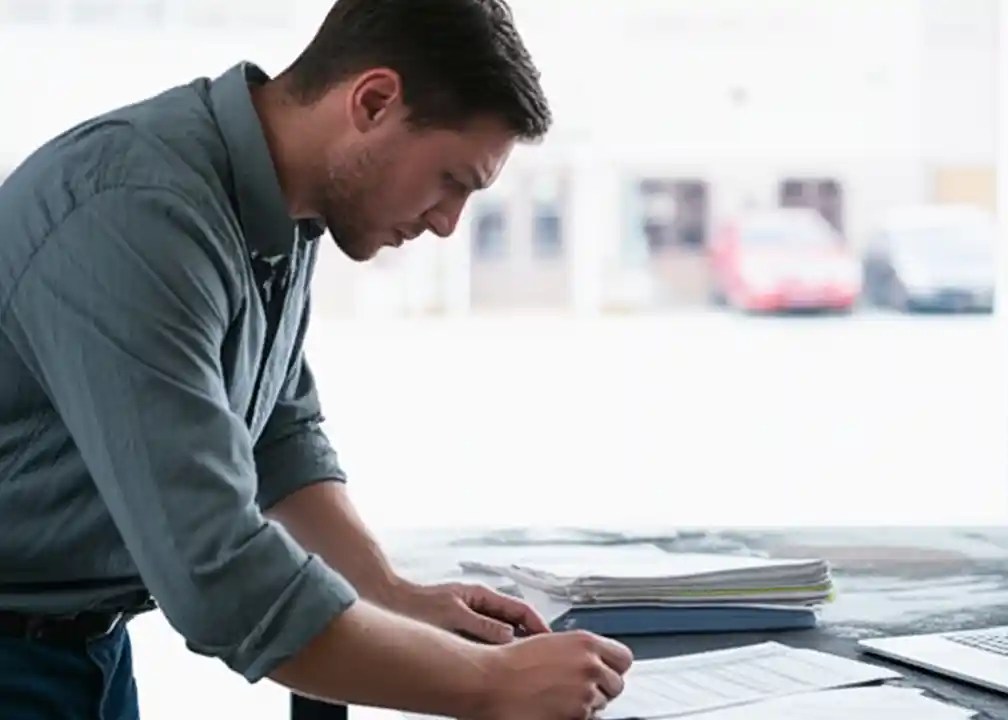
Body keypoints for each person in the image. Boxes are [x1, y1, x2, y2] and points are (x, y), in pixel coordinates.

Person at [0, 1, 633, 718]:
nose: (447, 222)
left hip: (83, 649)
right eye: (452, 180)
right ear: (373, 101)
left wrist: (390, 595)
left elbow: (278, 437)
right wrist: (489, 686)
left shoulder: (279, 205)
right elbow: (219, 576)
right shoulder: (138, 215)